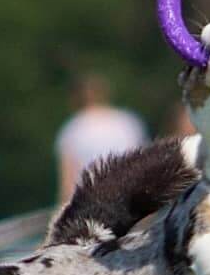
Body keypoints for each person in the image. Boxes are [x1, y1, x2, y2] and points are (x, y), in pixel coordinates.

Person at [55, 73, 148, 202]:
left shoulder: (72, 130)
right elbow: (145, 162)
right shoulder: (128, 121)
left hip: (94, 201)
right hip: (132, 195)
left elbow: (68, 182)